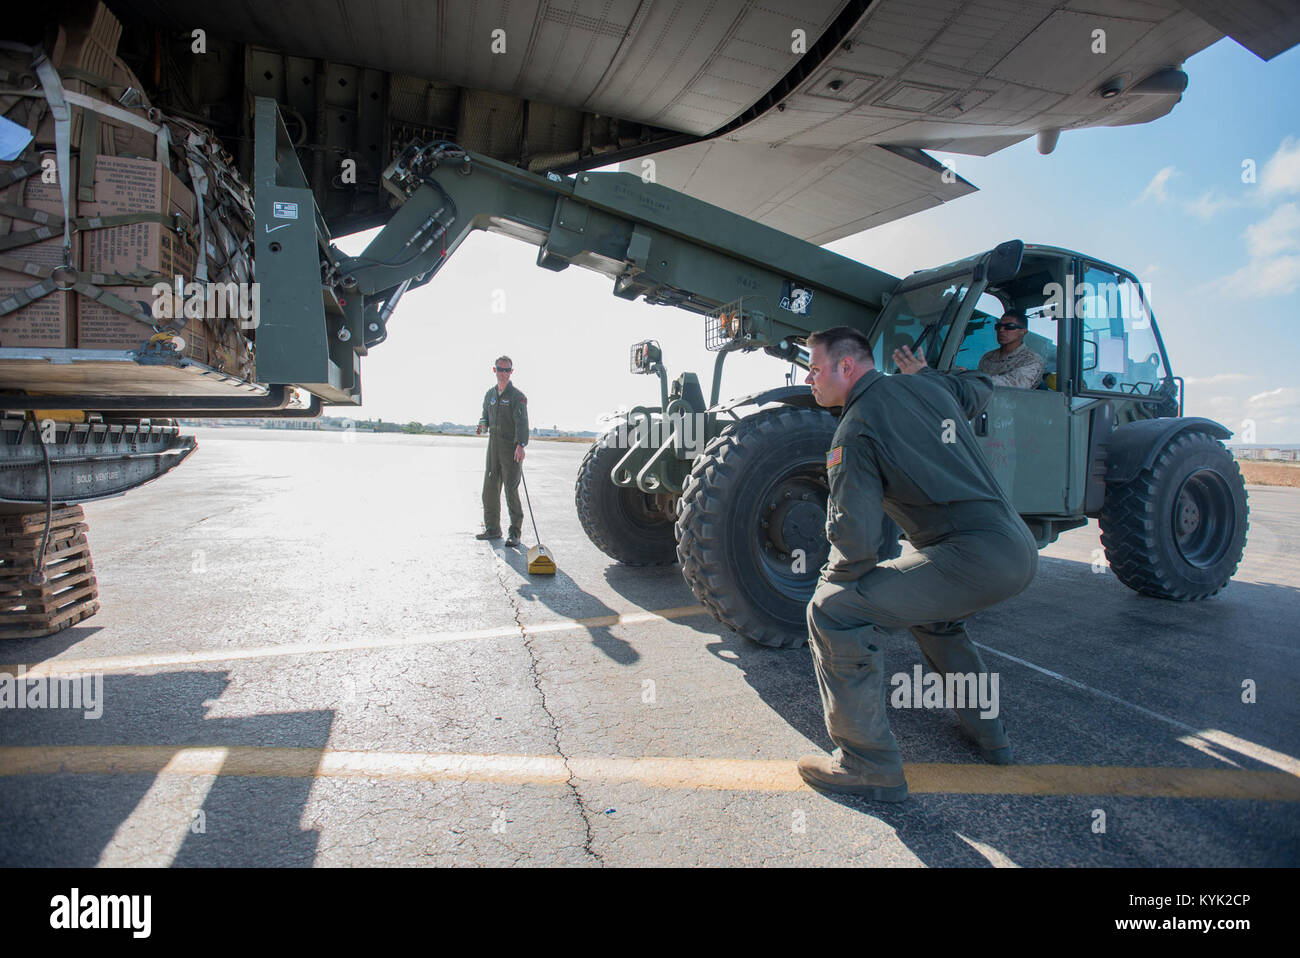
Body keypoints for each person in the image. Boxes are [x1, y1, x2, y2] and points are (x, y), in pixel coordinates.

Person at [798, 327, 1038, 802]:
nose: (809, 378)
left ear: (847, 367)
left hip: (970, 555)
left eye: (815, 367)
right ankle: (993, 738)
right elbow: (977, 390)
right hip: (1013, 546)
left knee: (832, 612)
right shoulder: (926, 386)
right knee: (935, 621)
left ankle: (868, 765)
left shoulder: (857, 426)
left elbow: (858, 540)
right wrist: (926, 375)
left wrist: (831, 581)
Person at [476, 355, 529, 547]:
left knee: (510, 490)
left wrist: (521, 445)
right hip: (493, 446)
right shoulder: (490, 395)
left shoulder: (517, 396)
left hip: (510, 447)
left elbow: (522, 422)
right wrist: (482, 425)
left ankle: (514, 533)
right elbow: (484, 415)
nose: (503, 373)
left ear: (511, 372)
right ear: (494, 370)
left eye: (507, 370)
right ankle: (492, 529)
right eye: (500, 369)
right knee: (489, 488)